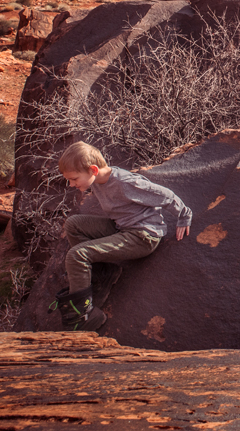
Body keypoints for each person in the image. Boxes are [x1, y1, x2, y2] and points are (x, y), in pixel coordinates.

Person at [51, 141, 192, 331]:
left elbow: (165, 195)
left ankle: (84, 316)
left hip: (143, 236)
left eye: (74, 179)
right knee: (73, 224)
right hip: (121, 226)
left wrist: (184, 216)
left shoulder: (125, 182)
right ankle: (101, 274)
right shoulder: (99, 180)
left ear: (93, 170)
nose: (71, 184)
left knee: (77, 254)